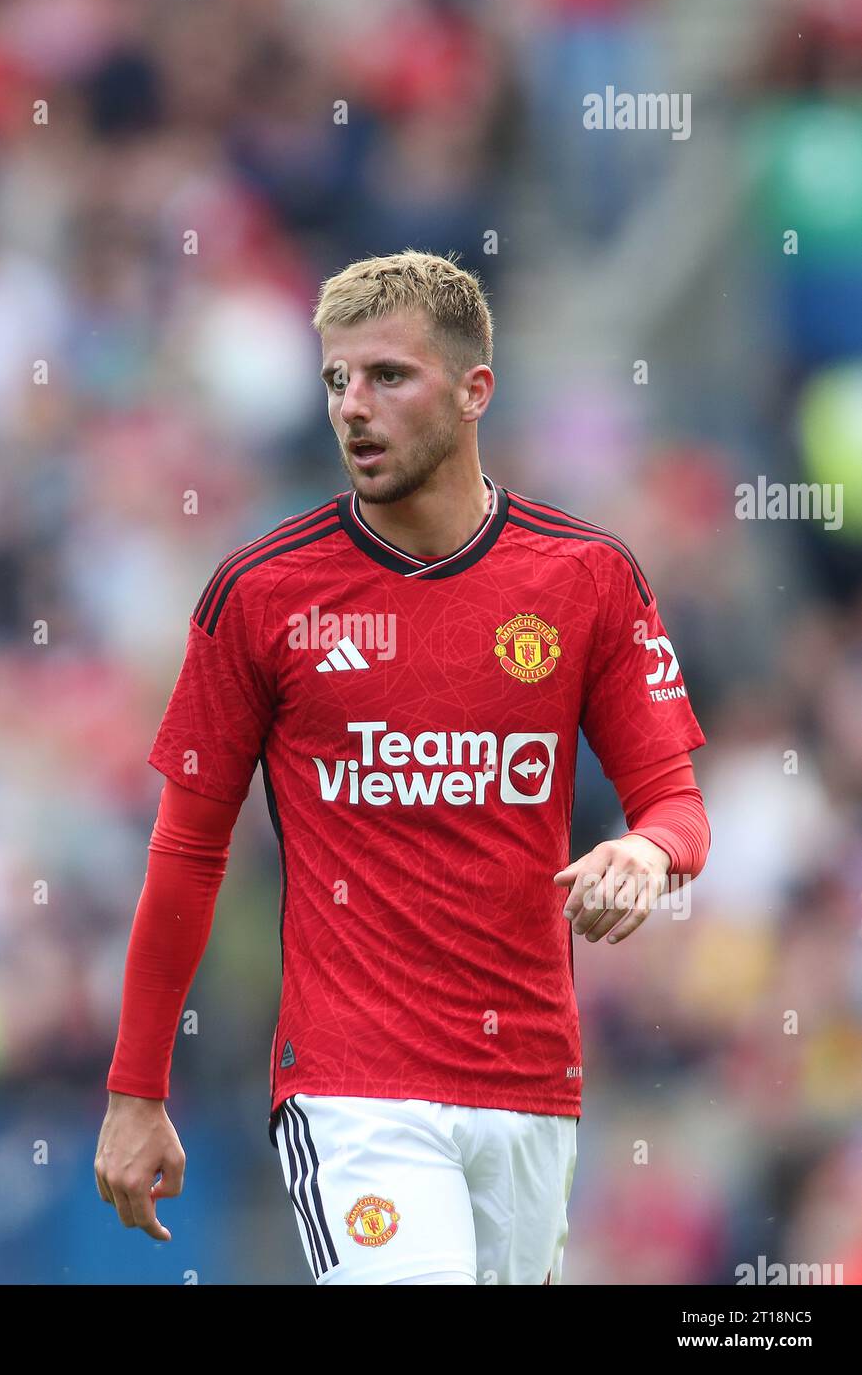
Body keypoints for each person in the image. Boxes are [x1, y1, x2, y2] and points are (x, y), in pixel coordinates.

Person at [94, 249, 711, 1285]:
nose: (353, 408)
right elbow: (188, 849)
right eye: (337, 380)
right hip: (353, 1086)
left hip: (528, 1080)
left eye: (388, 376)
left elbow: (676, 804)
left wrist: (647, 856)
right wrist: (135, 1090)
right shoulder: (262, 593)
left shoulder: (586, 578)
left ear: (475, 391)